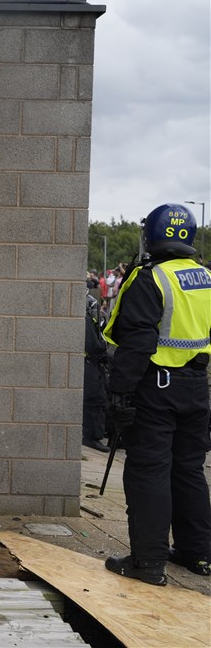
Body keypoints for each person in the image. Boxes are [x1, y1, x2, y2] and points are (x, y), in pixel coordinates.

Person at [103, 203, 211, 585]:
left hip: (157, 387)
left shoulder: (150, 278)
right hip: (197, 387)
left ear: (151, 236)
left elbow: (138, 341)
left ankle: (147, 563)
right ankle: (197, 553)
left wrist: (118, 391)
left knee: (149, 471)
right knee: (189, 470)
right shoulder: (205, 277)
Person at [82, 295, 110, 452]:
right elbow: (94, 345)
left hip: (92, 364)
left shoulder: (89, 320)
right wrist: (104, 345)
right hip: (90, 364)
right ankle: (92, 437)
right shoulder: (86, 321)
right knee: (96, 399)